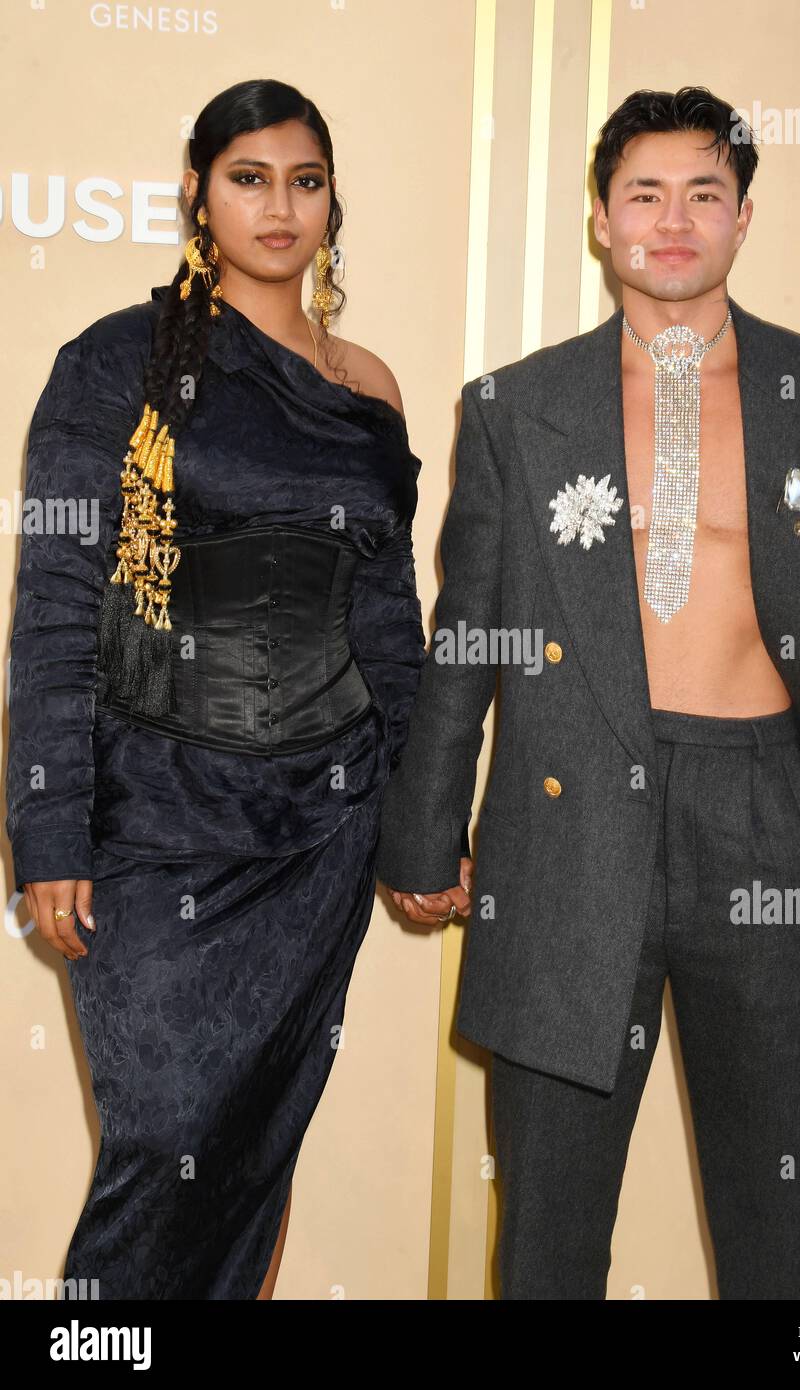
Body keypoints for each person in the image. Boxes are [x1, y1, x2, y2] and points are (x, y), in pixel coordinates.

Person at [375, 86, 800, 1299]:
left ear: (744, 218)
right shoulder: (516, 408)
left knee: (784, 1234)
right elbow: (468, 633)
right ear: (599, 217)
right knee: (547, 1240)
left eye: (704, 193)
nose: (673, 220)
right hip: (565, 826)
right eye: (645, 193)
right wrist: (425, 832)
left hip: (769, 820)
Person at [4, 78, 463, 1300]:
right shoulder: (115, 361)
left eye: (304, 181)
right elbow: (55, 602)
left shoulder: (370, 389)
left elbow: (388, 632)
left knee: (255, 1144)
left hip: (321, 826)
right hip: (152, 820)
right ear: (200, 197)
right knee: (162, 1142)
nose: (279, 205)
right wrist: (48, 823)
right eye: (248, 178)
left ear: (332, 203)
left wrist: (425, 826)